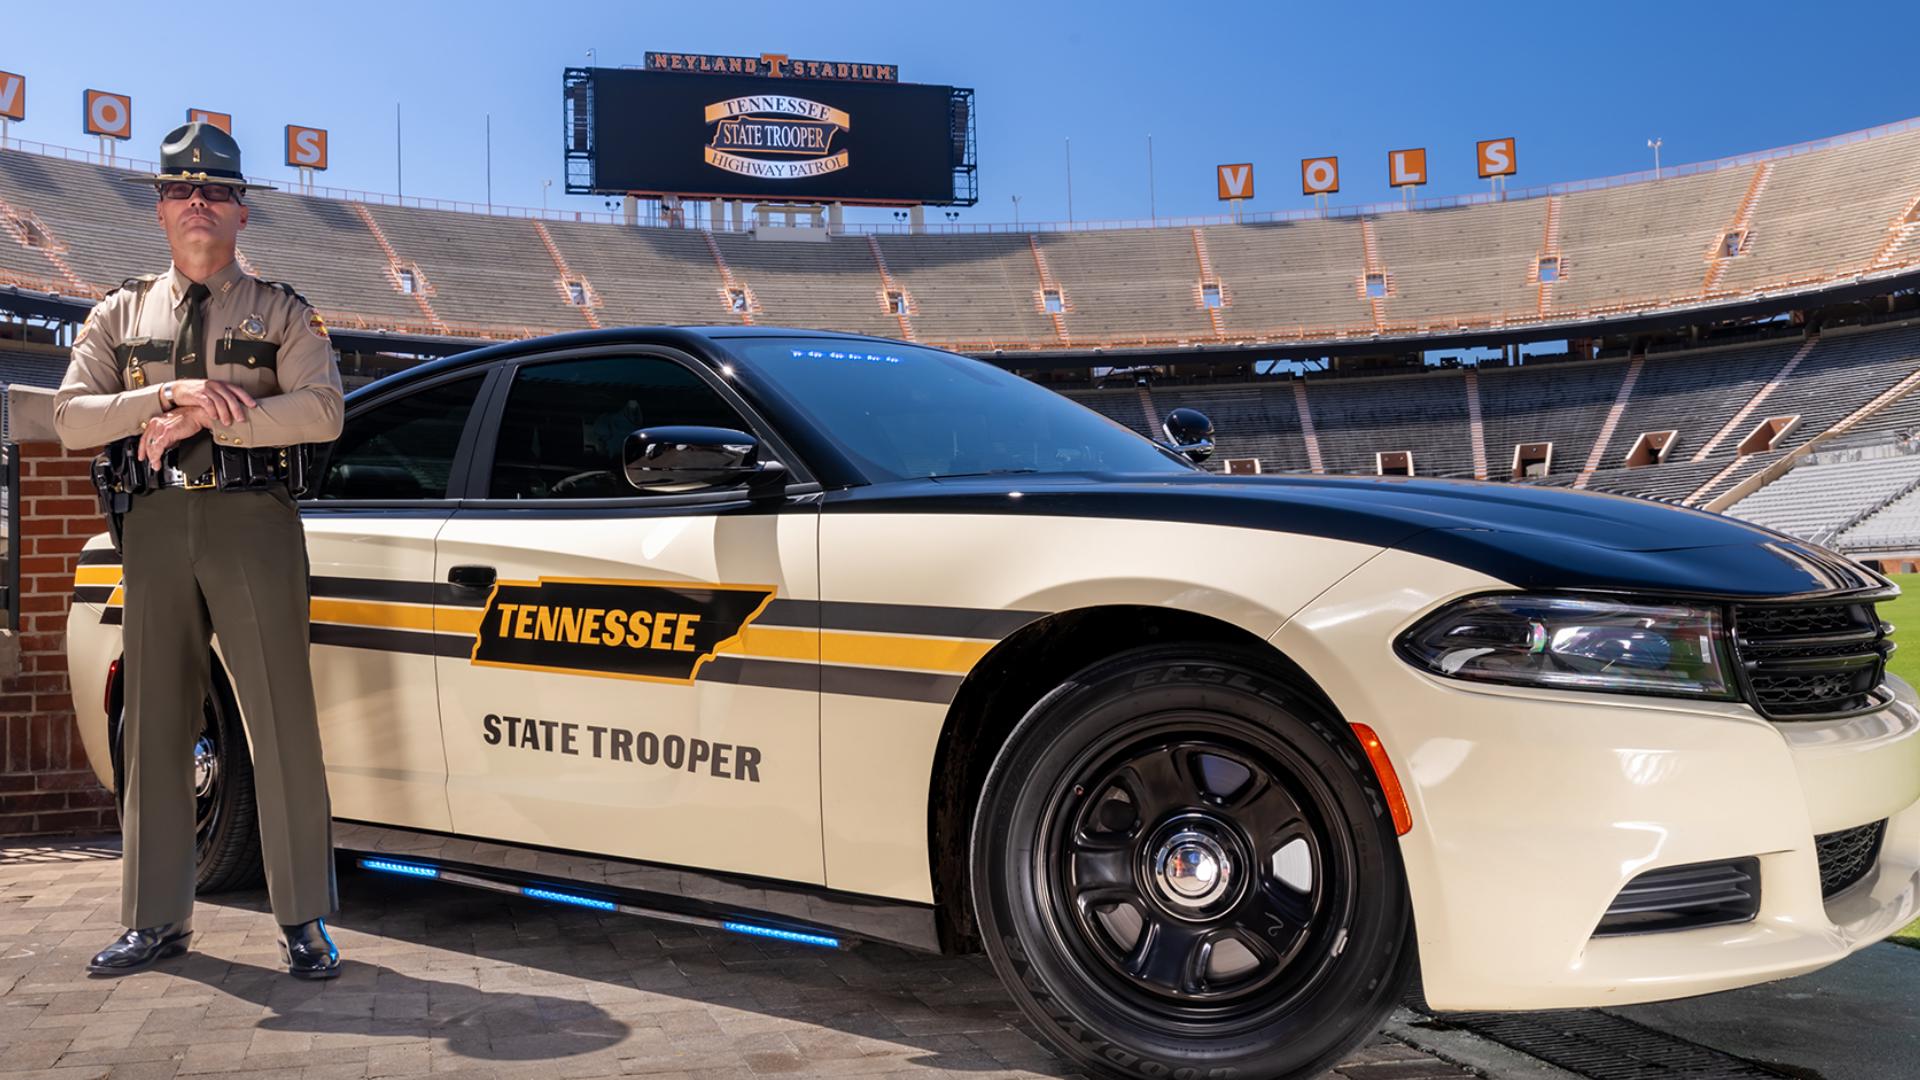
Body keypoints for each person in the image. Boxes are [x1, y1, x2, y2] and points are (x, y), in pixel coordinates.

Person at [53, 121, 345, 979]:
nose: (197, 204)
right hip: (150, 526)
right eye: (180, 190)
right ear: (159, 208)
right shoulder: (119, 311)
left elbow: (324, 410)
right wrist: (166, 392)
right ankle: (155, 920)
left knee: (280, 718)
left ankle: (303, 919)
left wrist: (211, 415)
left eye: (215, 191)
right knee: (153, 722)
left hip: (250, 521)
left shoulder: (284, 311)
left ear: (242, 213)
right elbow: (70, 419)